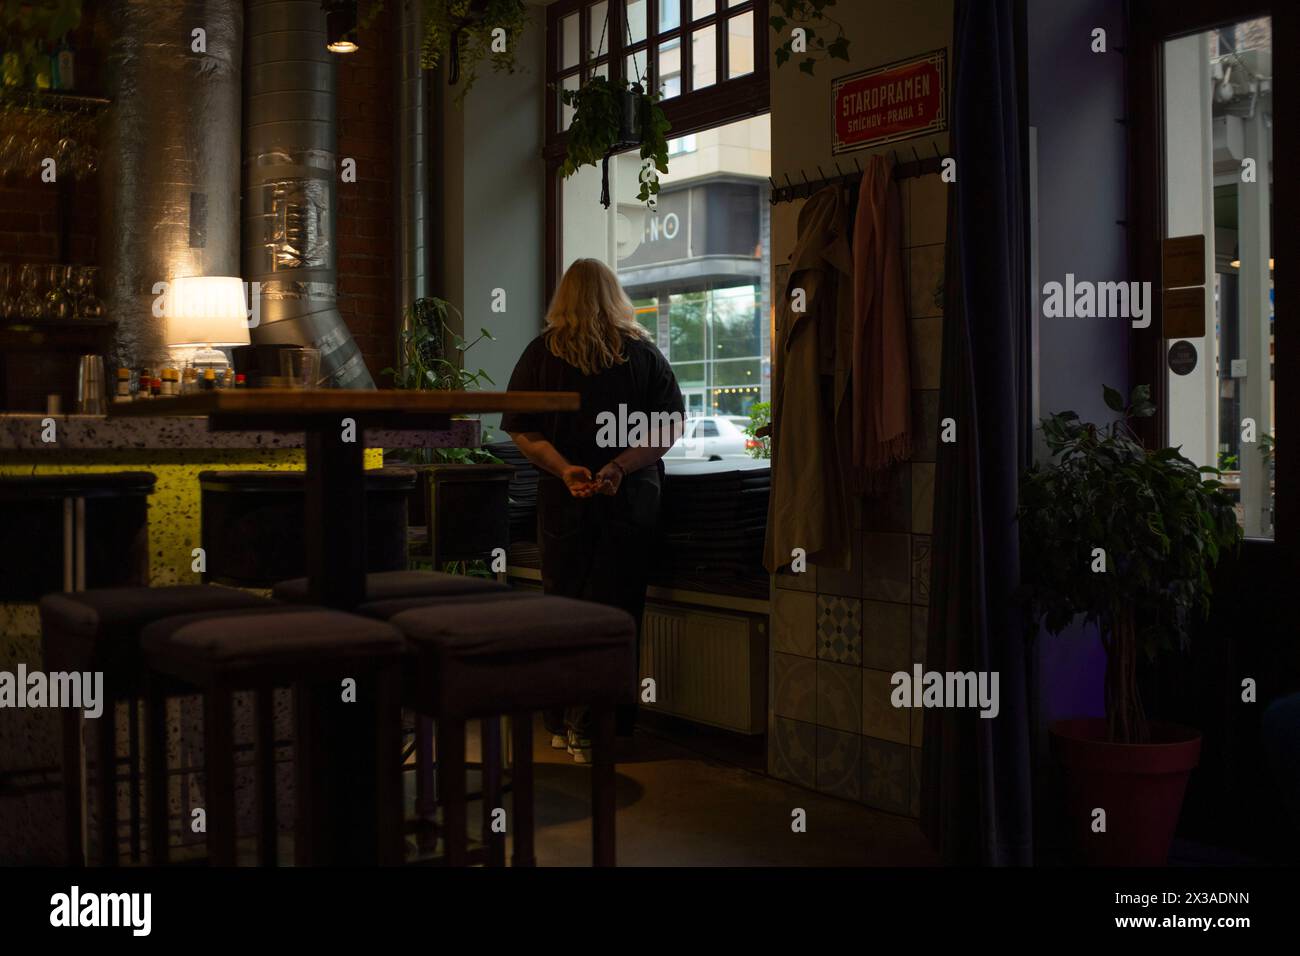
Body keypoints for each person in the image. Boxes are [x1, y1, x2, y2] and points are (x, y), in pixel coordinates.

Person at [501, 258, 684, 764]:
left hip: (564, 502)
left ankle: (562, 723)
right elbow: (667, 430)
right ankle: (595, 726)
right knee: (615, 610)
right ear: (615, 296)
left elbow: (521, 429)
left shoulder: (540, 354)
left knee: (562, 607)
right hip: (628, 503)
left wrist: (566, 470)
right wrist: (618, 469)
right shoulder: (643, 356)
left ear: (563, 299)